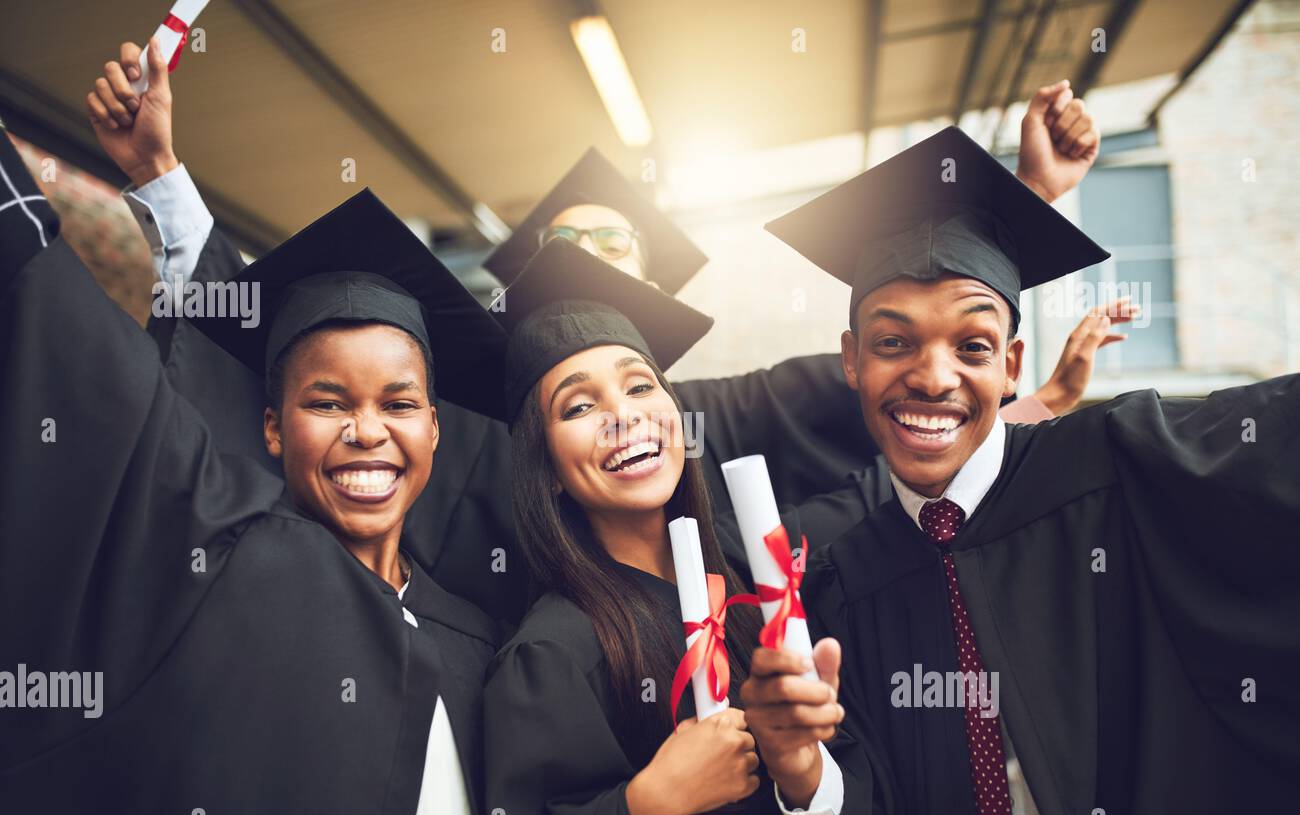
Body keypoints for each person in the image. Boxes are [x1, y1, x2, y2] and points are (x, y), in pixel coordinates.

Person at [86, 41, 1114, 624]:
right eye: (568, 242)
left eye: (618, 247)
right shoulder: (436, 403)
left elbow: (906, 386)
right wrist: (164, 185)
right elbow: (283, 365)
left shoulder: (710, 420)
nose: (591, 258)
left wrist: (1021, 207)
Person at [765, 124, 1300, 815]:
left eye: (972, 346)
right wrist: (801, 773)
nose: (933, 376)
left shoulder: (1119, 465)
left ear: (1012, 365)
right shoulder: (846, 584)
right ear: (851, 360)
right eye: (894, 342)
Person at [0, 118, 507, 815]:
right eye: (328, 403)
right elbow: (99, 384)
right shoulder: (211, 575)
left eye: (398, 405)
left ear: (435, 428)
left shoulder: (483, 641)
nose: (367, 432)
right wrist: (160, 180)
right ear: (270, 427)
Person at [480, 239, 897, 815]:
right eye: (580, 405)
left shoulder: (759, 580)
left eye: (641, 387)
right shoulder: (550, 660)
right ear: (547, 471)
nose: (624, 416)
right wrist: (652, 803)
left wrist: (801, 769)